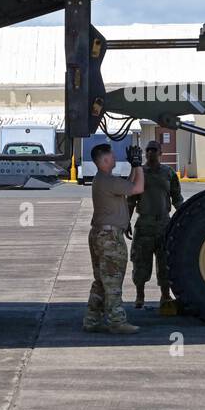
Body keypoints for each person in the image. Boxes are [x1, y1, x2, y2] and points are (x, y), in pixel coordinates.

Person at [84, 142, 145, 334]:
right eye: (112, 156)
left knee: (101, 280)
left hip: (100, 234)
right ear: (105, 160)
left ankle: (92, 320)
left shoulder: (104, 180)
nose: (115, 158)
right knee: (112, 279)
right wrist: (138, 166)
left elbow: (128, 185)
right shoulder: (107, 181)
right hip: (110, 237)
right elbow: (138, 188)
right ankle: (117, 321)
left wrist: (133, 167)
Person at [128, 141, 184, 311]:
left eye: (154, 150)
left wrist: (184, 219)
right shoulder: (139, 173)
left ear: (161, 153)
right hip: (144, 224)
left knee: (165, 262)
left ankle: (165, 294)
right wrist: (125, 222)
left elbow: (177, 198)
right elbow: (130, 200)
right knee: (140, 262)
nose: (151, 153)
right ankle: (140, 295)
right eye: (148, 150)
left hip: (164, 224)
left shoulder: (168, 173)